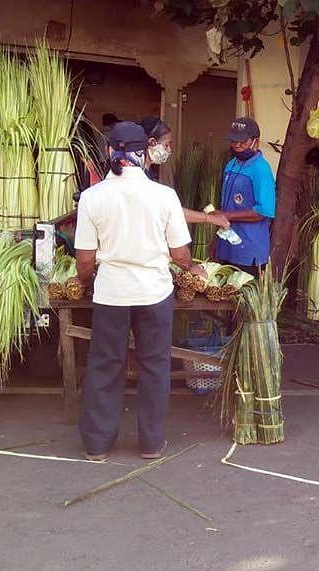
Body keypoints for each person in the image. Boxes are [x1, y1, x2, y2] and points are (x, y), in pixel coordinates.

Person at [74, 122, 205, 462]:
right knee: (154, 366)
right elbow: (180, 254)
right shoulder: (164, 196)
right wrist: (191, 267)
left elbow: (84, 259)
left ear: (109, 152)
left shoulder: (92, 198)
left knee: (105, 365)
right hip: (154, 294)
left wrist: (86, 282)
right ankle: (150, 444)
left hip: (111, 295)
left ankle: (97, 446)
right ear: (144, 152)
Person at [137, 117, 231, 233]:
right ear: (152, 142)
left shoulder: (147, 173)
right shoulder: (138, 177)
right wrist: (210, 218)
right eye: (167, 145)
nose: (170, 150)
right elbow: (169, 211)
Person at [213, 117, 276, 273]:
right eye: (234, 141)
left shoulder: (261, 169)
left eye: (243, 141)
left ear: (256, 141)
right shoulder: (231, 164)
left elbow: (263, 211)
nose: (238, 145)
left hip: (249, 250)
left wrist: (226, 215)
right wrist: (217, 241)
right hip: (226, 247)